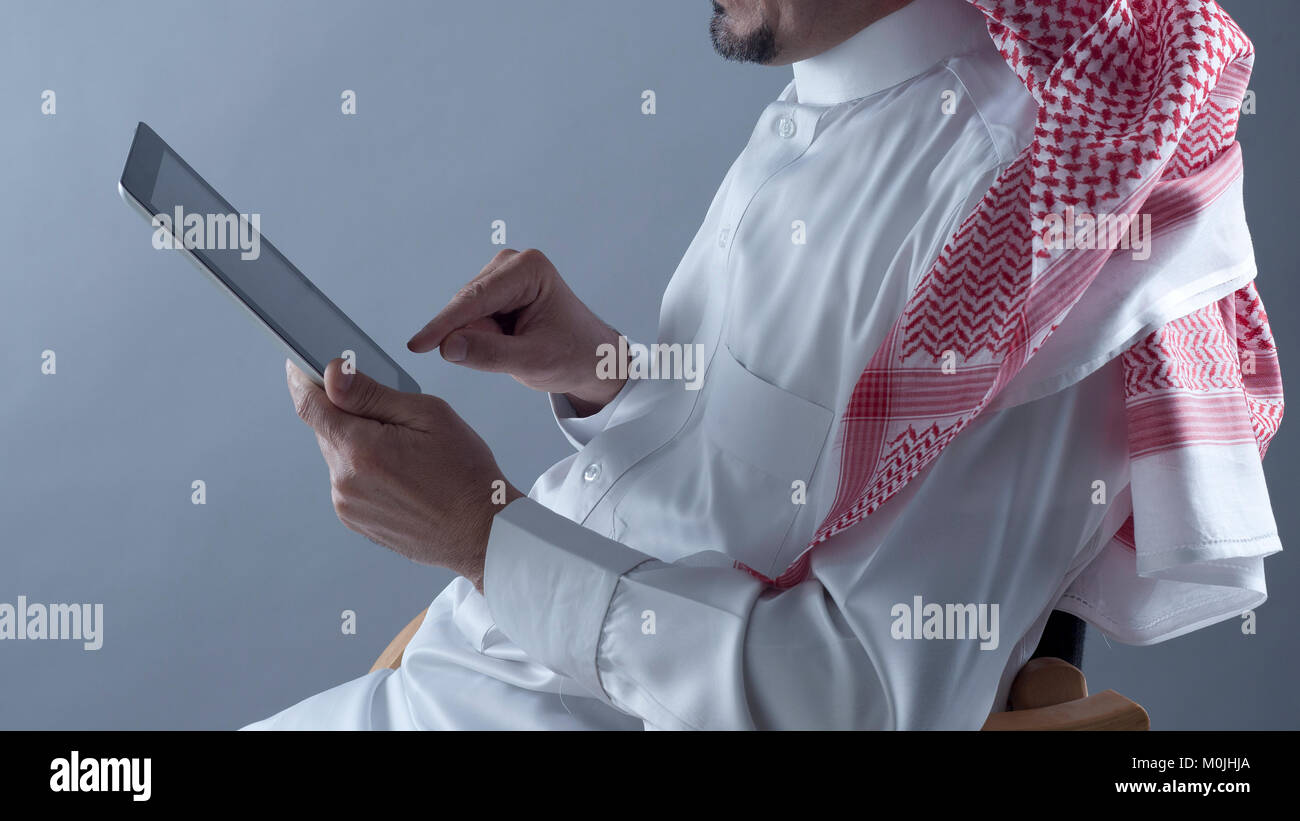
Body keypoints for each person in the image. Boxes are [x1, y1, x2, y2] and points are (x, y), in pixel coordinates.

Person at [245, 0, 1283, 730]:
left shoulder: (1038, 235)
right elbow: (773, 486)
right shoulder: (841, 78)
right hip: (449, 679)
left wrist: (482, 537)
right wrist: (605, 372)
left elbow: (859, 702)